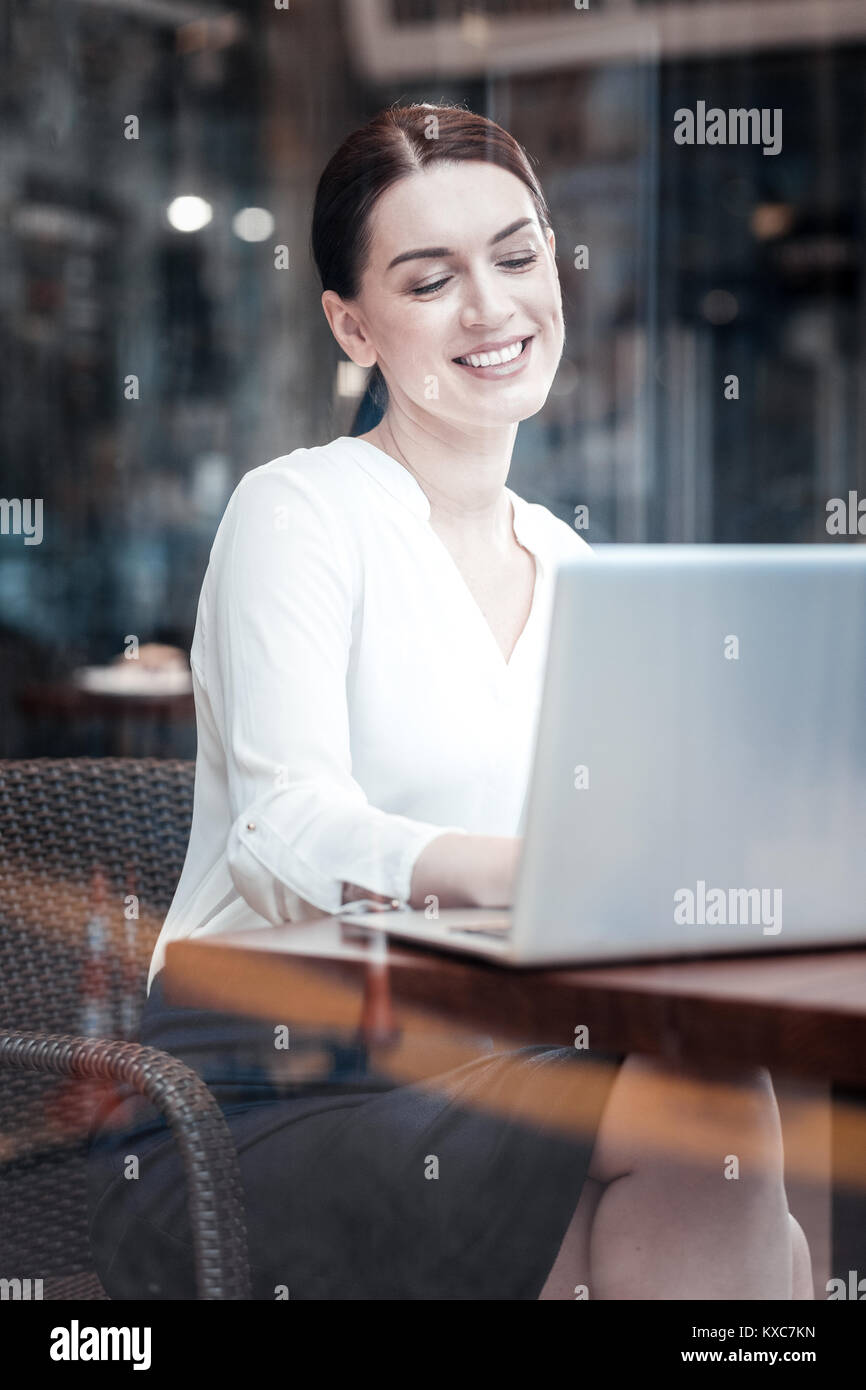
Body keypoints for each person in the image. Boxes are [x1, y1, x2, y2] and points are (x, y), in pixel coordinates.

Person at [87, 101, 813, 1300]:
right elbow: (286, 824)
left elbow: (618, 857)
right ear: (351, 324)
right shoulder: (298, 511)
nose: (491, 308)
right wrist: (516, 868)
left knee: (723, 1173)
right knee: (737, 1215)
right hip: (268, 1084)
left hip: (491, 1046)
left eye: (516, 257)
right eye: (429, 280)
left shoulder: (574, 568)